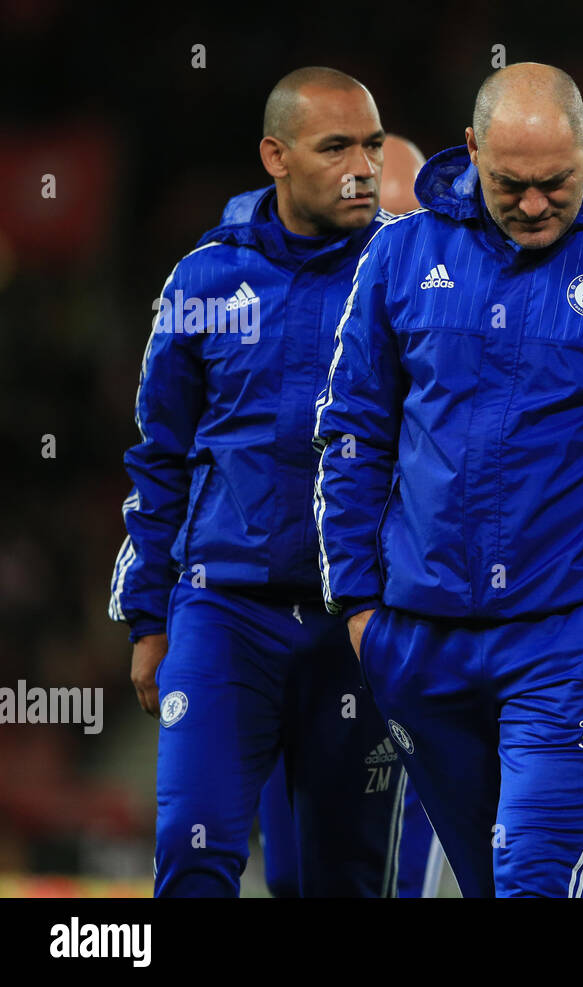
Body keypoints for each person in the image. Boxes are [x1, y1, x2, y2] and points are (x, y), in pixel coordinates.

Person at [313, 62, 583, 897]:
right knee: (485, 885)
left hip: (572, 640)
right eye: (510, 183)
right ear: (469, 150)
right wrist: (358, 606)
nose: (534, 204)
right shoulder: (398, 253)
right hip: (417, 641)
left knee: (533, 880)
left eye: (555, 182)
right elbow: (352, 432)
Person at [109, 66, 405, 897]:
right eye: (335, 146)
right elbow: (159, 454)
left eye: (373, 146)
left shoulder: (407, 273)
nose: (363, 168)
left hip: (361, 621)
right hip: (224, 611)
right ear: (275, 155)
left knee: (336, 880)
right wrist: (147, 617)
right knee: (193, 849)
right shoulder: (203, 280)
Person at [234, 131, 447, 898]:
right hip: (294, 629)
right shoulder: (267, 331)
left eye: (402, 229)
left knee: (383, 879)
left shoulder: (449, 343)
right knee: (293, 875)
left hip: (401, 632)